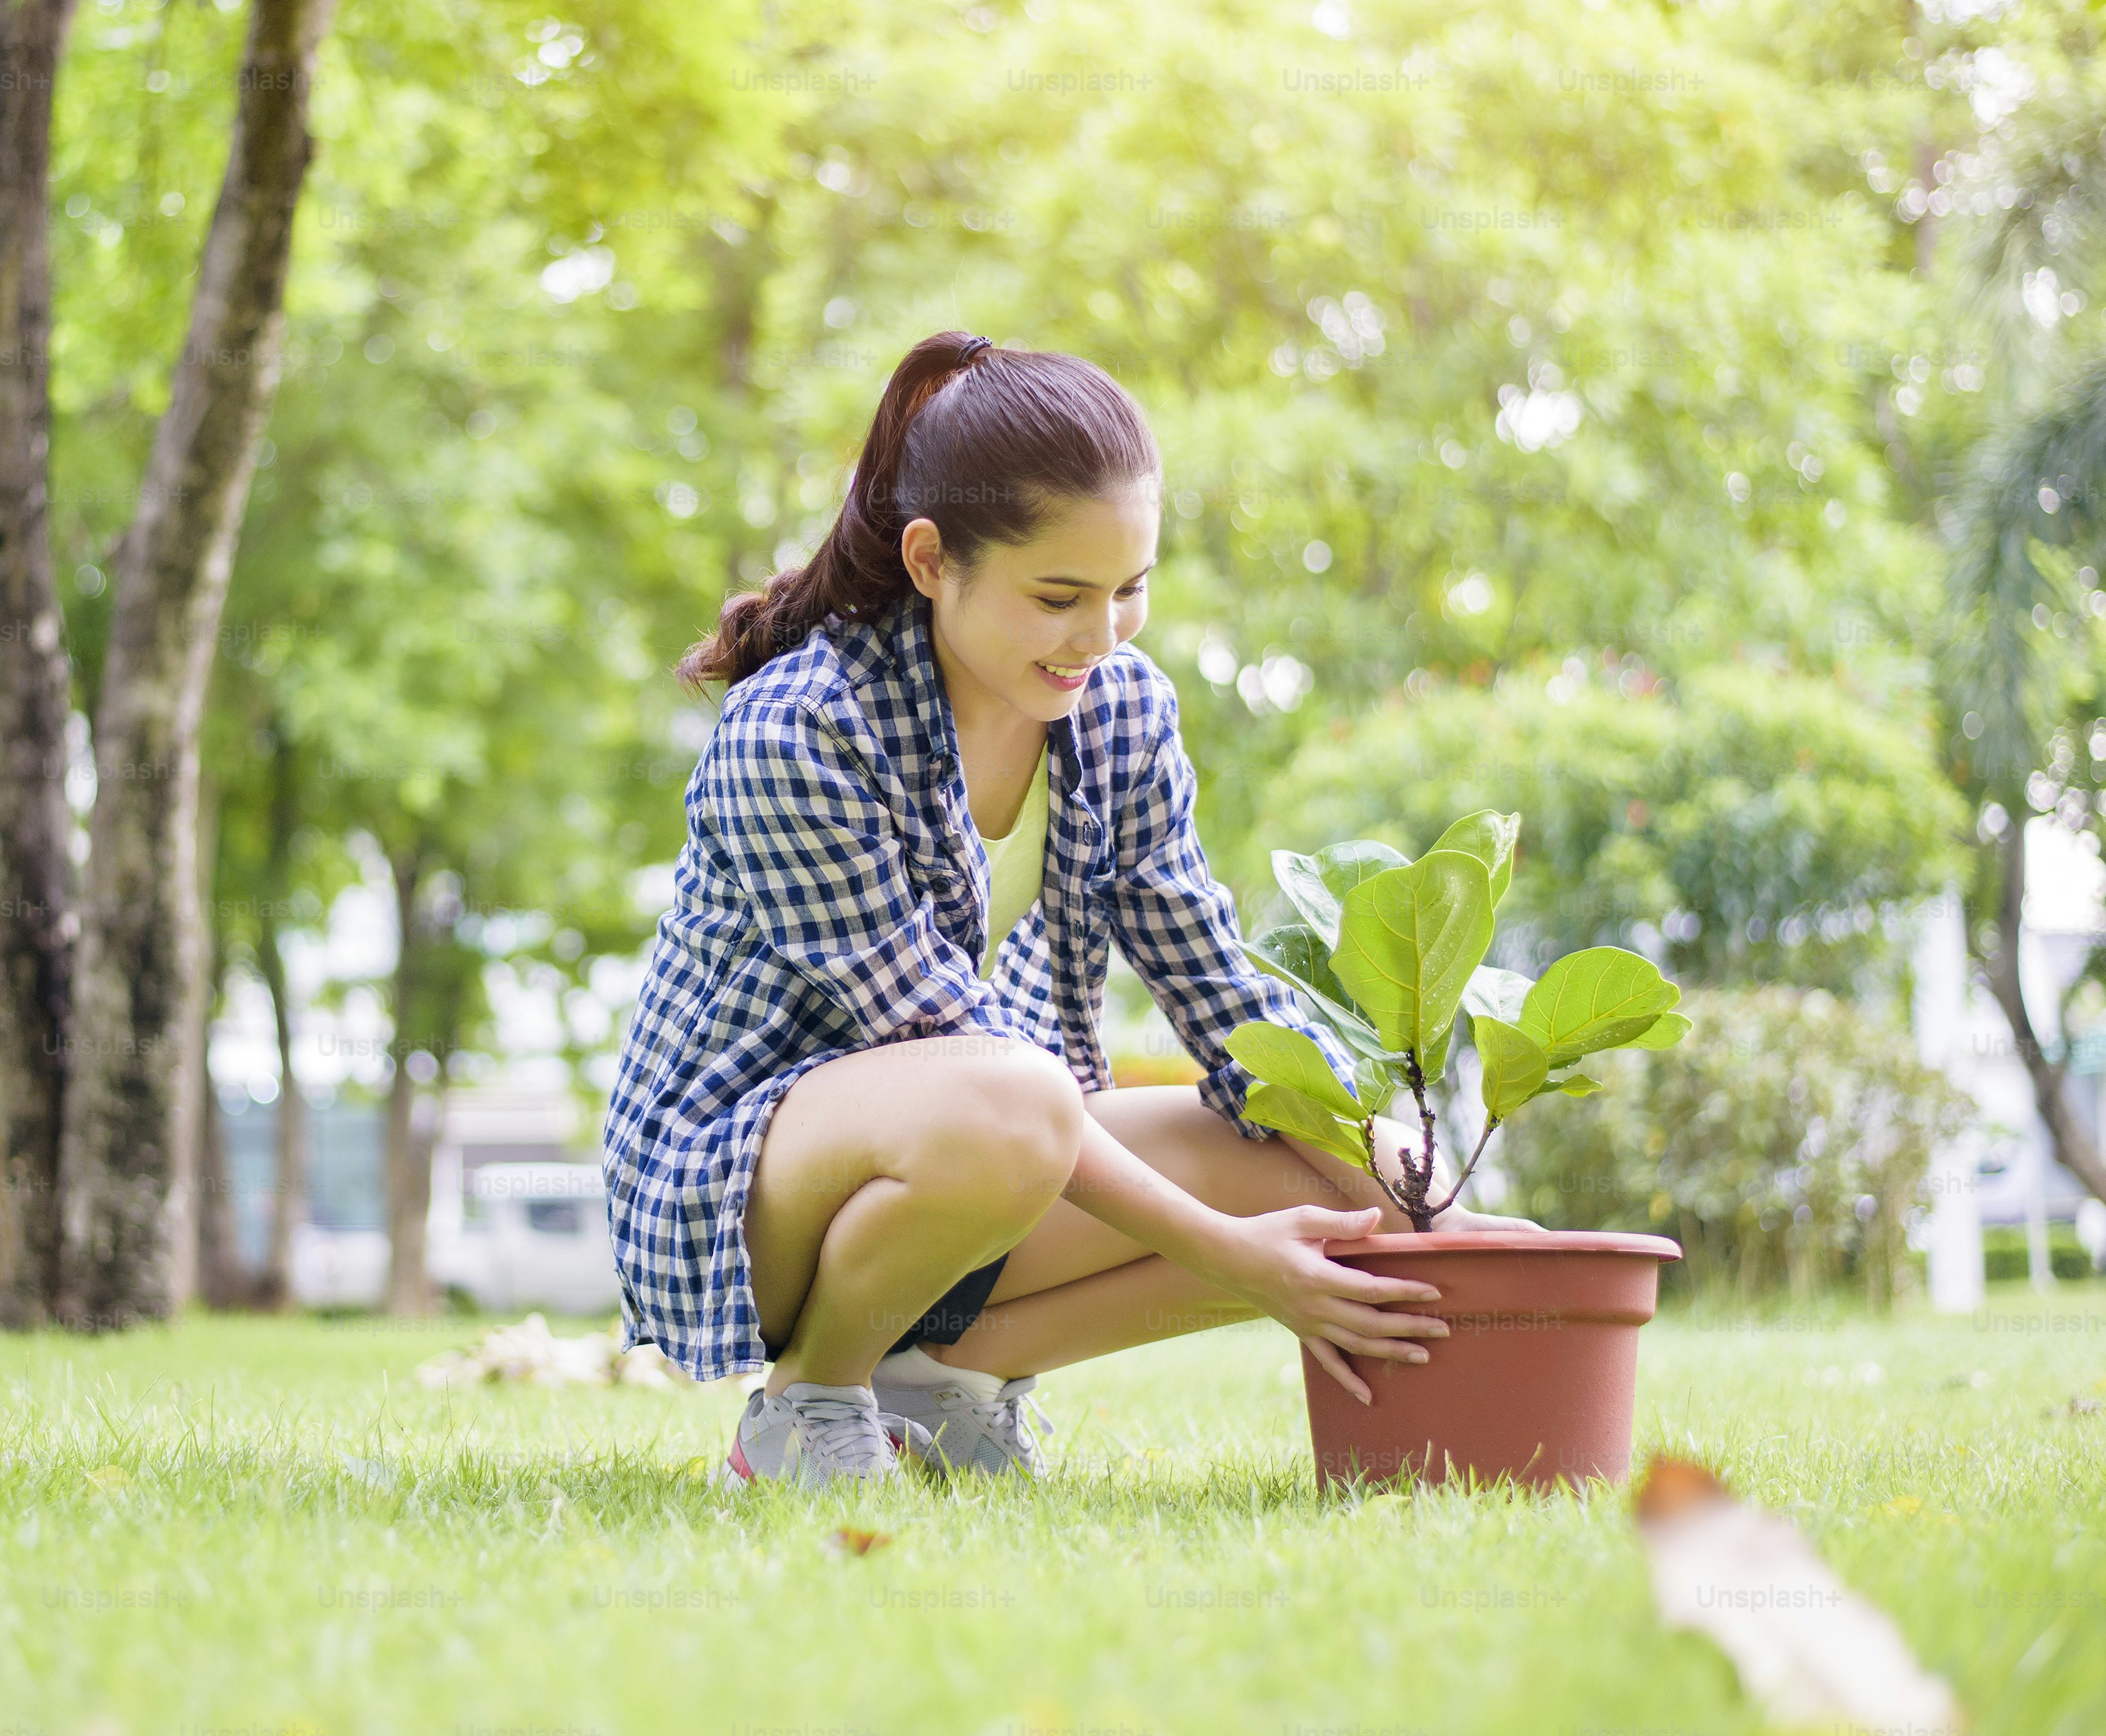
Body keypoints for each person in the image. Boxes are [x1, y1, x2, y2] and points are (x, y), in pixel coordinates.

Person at [602, 330, 1531, 1490]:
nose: (1099, 637)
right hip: (741, 1184)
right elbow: (949, 1051)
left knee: (1344, 1178)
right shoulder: (803, 729)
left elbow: (1220, 995)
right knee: (1023, 1096)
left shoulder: (1120, 711)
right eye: (1059, 597)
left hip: (983, 1146)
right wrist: (1238, 1265)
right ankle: (807, 1404)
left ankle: (941, 1386)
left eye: (1129, 590)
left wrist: (1419, 1189)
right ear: (934, 561)